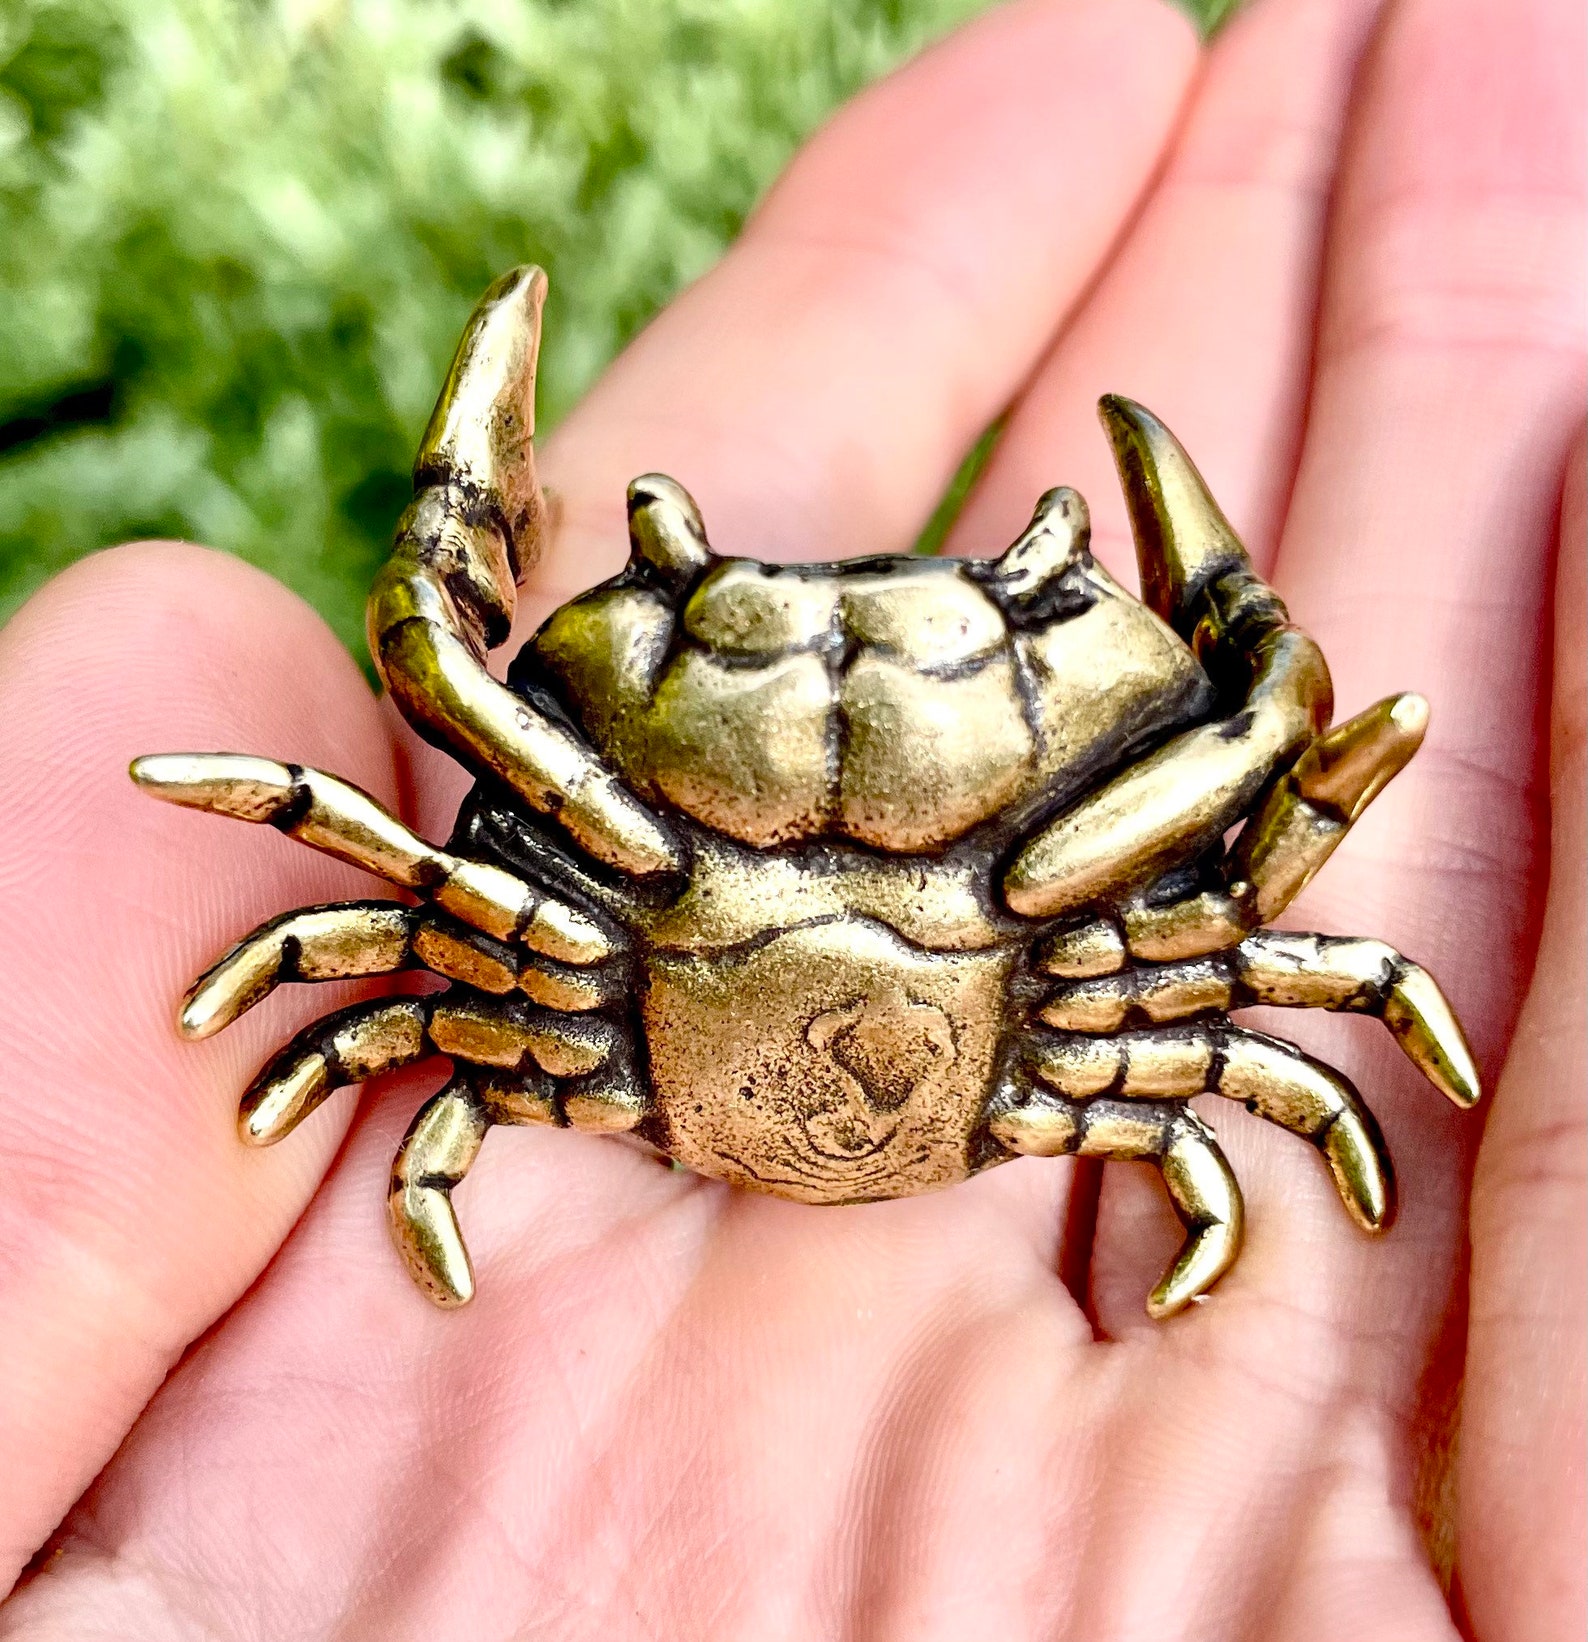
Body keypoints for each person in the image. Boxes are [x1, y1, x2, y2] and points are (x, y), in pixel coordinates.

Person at [0, 0, 1581, 1634]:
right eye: (699, 609)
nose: (857, 716)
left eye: (1005, 615)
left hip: (833, 1021)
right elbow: (1267, 703)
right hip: (764, 1010)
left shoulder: (1098, 933)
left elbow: (431, 645)